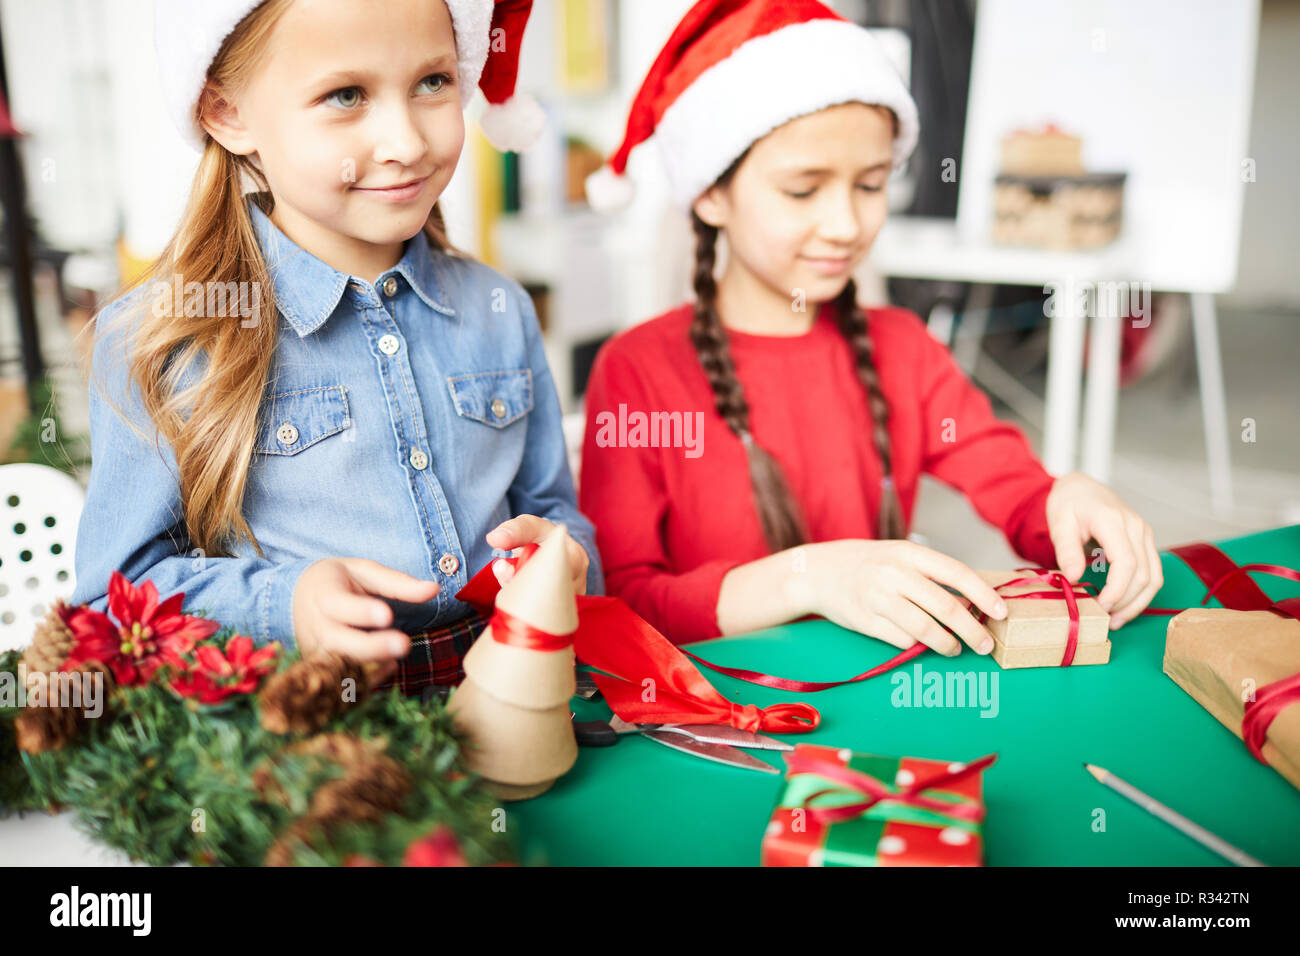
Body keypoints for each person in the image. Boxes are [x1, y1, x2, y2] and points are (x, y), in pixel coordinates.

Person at [579, 0, 1161, 653]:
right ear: (711, 193)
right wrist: (810, 577)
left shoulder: (903, 348)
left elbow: (1015, 488)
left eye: (872, 183)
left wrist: (1064, 502)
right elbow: (620, 601)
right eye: (803, 190)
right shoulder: (636, 370)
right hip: (725, 711)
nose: (847, 225)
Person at [70, 0, 600, 693]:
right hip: (308, 749)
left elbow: (554, 507)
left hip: (519, 700)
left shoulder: (499, 309)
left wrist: (567, 556)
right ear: (227, 113)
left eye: (433, 82)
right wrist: (284, 602)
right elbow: (114, 601)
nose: (406, 141)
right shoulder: (162, 338)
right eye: (345, 95)